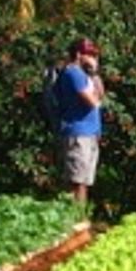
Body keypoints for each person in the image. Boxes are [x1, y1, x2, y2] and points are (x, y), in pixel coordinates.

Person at [45, 36, 108, 211]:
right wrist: (95, 93)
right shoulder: (73, 73)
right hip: (77, 133)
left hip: (89, 133)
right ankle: (75, 220)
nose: (93, 58)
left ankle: (80, 219)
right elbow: (92, 101)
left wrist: (94, 73)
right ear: (79, 54)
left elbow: (101, 95)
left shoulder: (84, 75)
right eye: (90, 54)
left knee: (84, 181)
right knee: (76, 182)